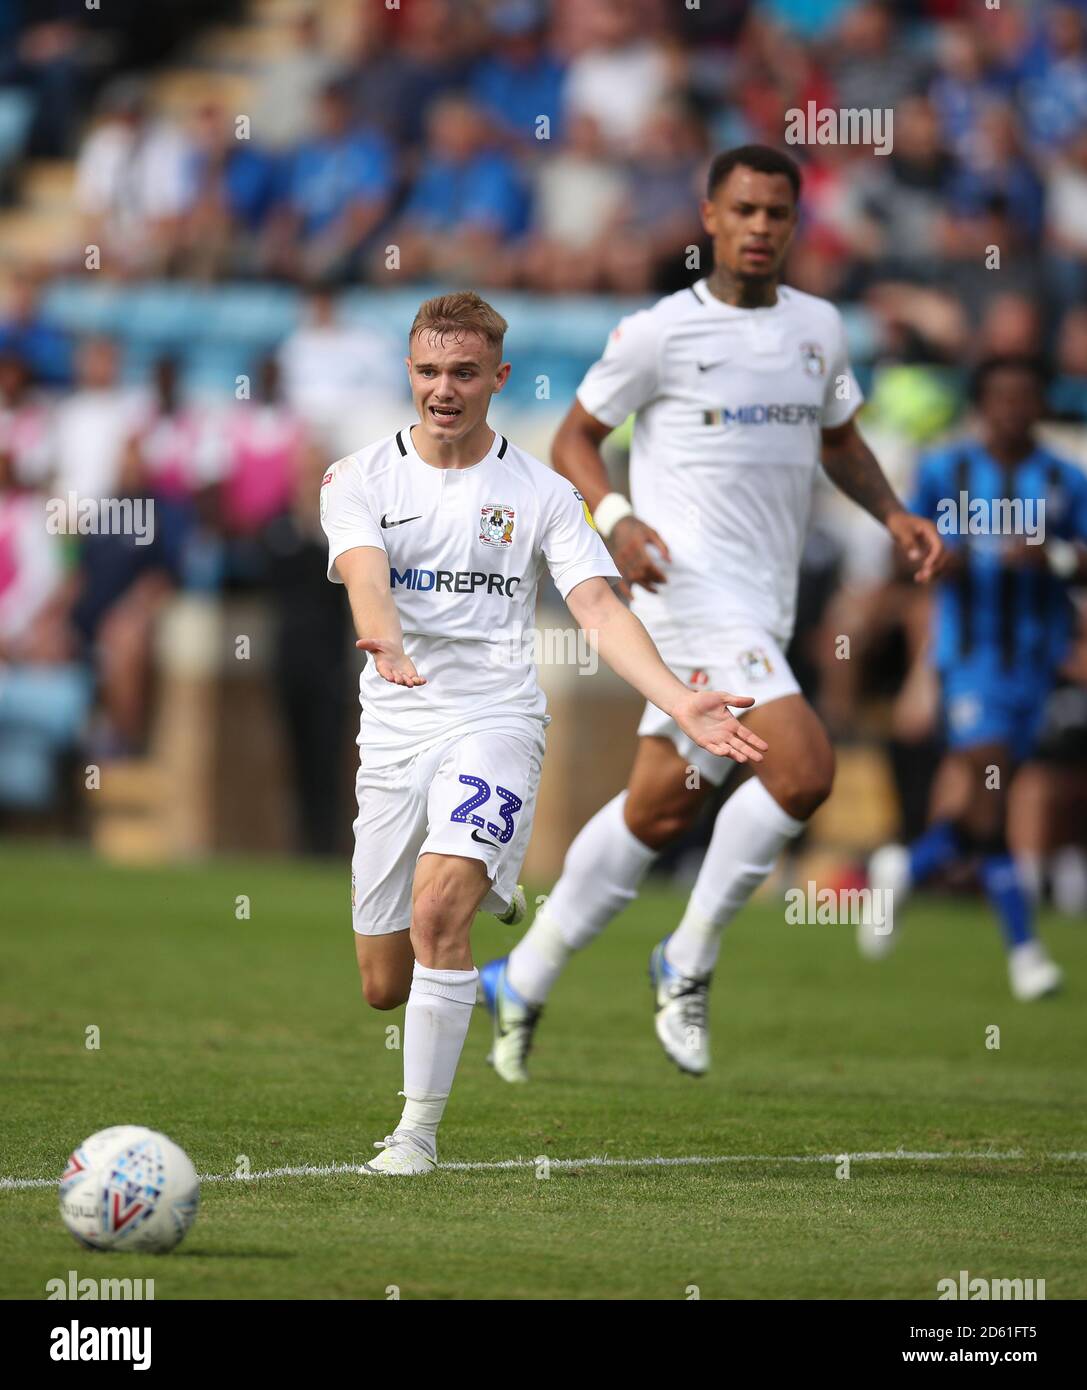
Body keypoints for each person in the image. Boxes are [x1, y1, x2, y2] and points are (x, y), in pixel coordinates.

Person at [483, 145, 943, 1082]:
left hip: (762, 608)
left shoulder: (820, 328)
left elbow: (840, 439)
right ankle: (685, 959)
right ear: (709, 218)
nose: (760, 228)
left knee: (659, 809)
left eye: (777, 213)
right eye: (743, 211)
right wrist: (612, 517)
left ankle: (523, 972)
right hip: (684, 592)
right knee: (804, 768)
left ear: (794, 223)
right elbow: (573, 436)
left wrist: (892, 512)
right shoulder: (658, 332)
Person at [319, 290, 767, 1174]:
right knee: (383, 984)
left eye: (462, 373)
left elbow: (596, 606)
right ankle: (493, 873)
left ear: (498, 378)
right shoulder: (358, 475)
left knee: (438, 910)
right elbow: (365, 575)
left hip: (495, 720)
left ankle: (415, 1135)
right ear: (408, 372)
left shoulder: (542, 492)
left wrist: (678, 699)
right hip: (396, 727)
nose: (442, 390)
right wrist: (384, 634)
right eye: (426, 372)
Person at [860, 355, 1087, 1000]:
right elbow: (900, 557)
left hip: (1037, 662)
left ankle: (908, 863)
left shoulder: (1064, 480)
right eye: (1000, 398)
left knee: (995, 796)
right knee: (992, 787)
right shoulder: (945, 470)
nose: (1012, 409)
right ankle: (1026, 953)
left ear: (1041, 404)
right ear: (980, 405)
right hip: (970, 658)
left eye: (1025, 397)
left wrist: (1061, 555)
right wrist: (935, 562)